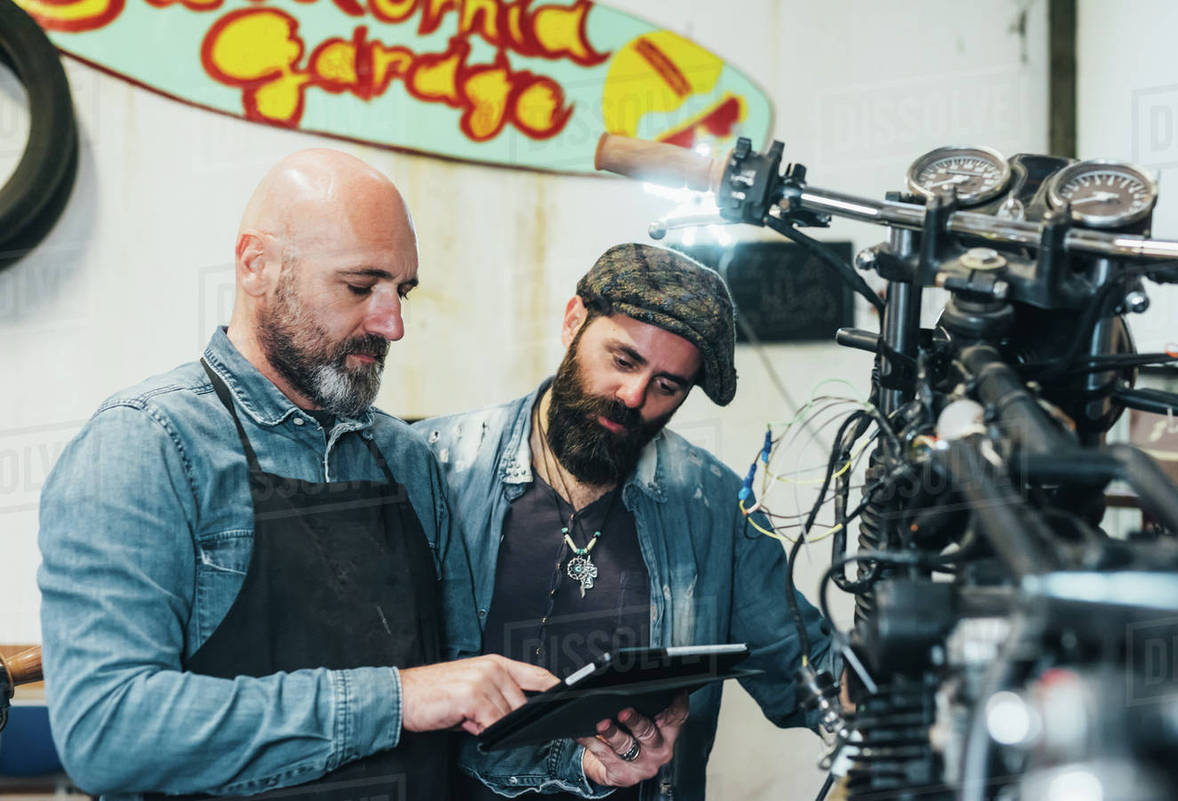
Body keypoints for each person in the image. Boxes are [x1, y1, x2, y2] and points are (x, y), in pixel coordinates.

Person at [36, 149, 565, 800]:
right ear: (257, 265)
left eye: (400, 291)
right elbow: (109, 731)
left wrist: (578, 754)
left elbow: (462, 714)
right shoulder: (147, 448)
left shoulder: (406, 462)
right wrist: (393, 698)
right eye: (358, 285)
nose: (392, 323)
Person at [414, 243, 840, 801]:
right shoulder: (432, 465)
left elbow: (807, 673)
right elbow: (374, 687)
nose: (634, 396)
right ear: (572, 322)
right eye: (622, 360)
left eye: (667, 386)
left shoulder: (716, 507)